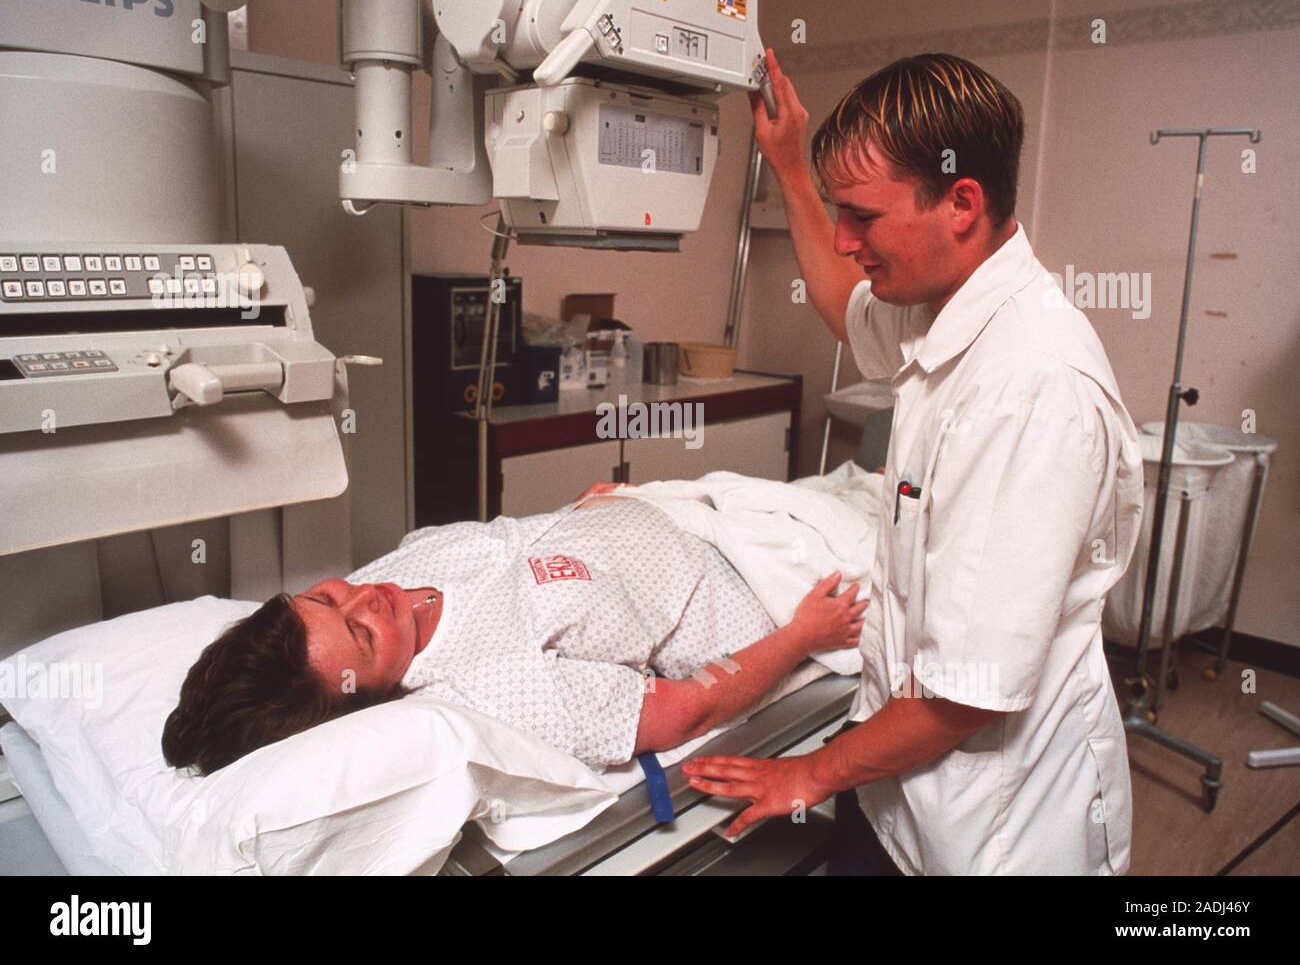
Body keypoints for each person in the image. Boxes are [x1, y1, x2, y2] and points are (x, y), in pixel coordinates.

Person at [683, 51, 1144, 875]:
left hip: (994, 831)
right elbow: (842, 305)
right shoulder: (940, 303)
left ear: (961, 202)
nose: (842, 239)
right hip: (900, 792)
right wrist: (788, 161)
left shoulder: (1030, 389)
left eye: (861, 215)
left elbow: (966, 694)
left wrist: (808, 772)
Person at [162, 488, 865, 777]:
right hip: (757, 582)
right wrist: (805, 632)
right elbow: (688, 708)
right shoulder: (494, 685)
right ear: (371, 698)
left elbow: (508, 546)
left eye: (326, 595)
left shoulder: (380, 579)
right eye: (362, 636)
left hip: (687, 502)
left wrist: (578, 514)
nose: (368, 597)